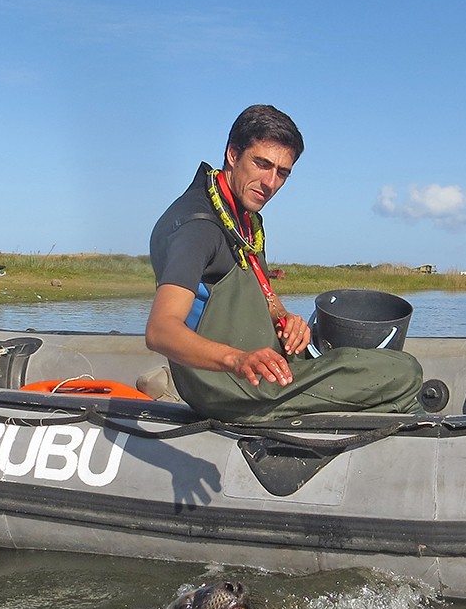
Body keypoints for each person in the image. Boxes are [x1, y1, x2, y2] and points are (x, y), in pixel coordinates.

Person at [147, 106, 424, 421]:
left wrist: (285, 317)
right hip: (230, 385)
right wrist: (237, 360)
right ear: (233, 154)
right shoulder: (198, 227)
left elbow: (260, 294)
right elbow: (160, 330)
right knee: (405, 372)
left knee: (372, 354)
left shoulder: (243, 216)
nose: (270, 182)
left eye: (282, 173)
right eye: (262, 164)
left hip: (265, 363)